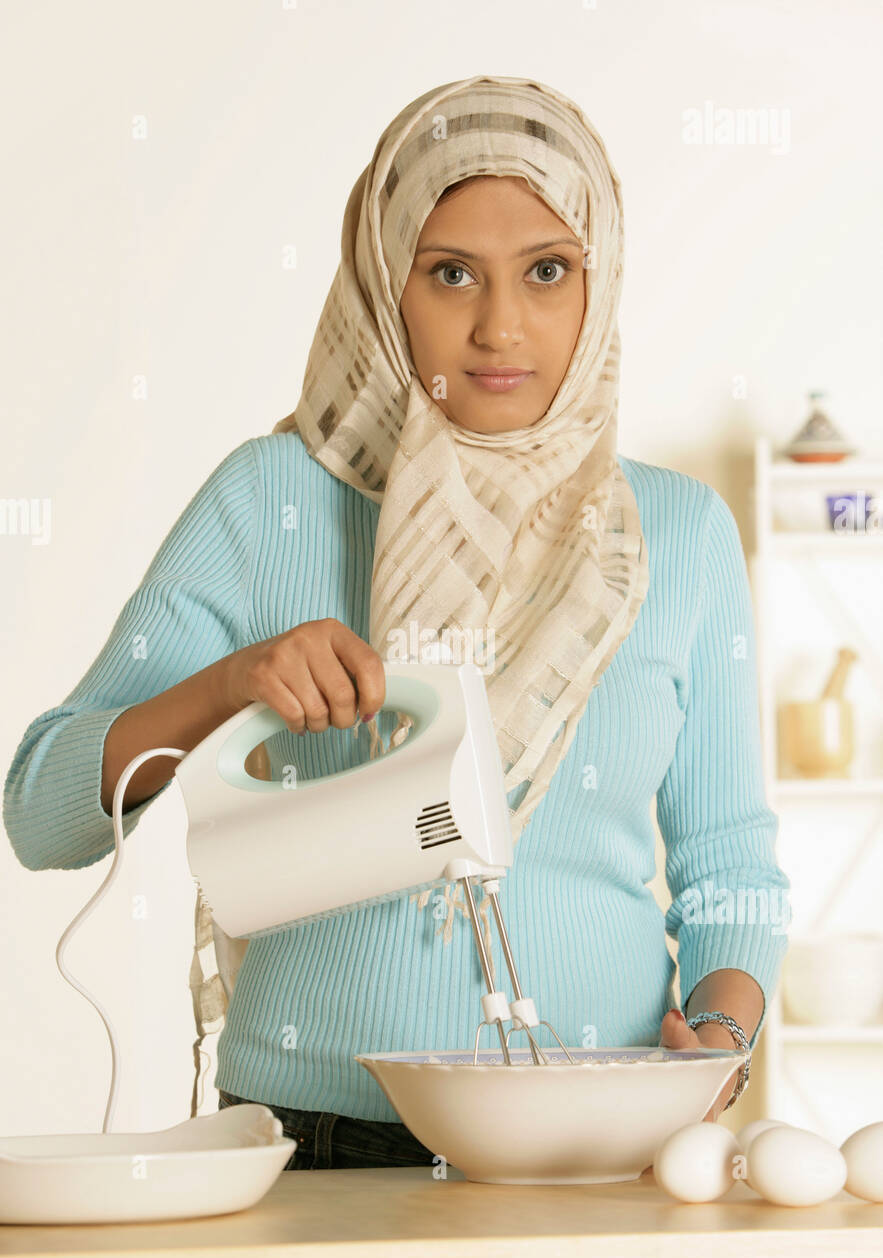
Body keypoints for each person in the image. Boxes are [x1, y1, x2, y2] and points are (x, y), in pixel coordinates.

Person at [3, 74, 791, 1171]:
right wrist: (228, 686)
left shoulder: (680, 534)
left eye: (547, 272)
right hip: (315, 1146)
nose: (499, 325)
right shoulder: (267, 498)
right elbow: (40, 814)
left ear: (597, 288)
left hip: (599, 1137)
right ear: (384, 281)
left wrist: (717, 1036)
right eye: (450, 272)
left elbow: (730, 867)